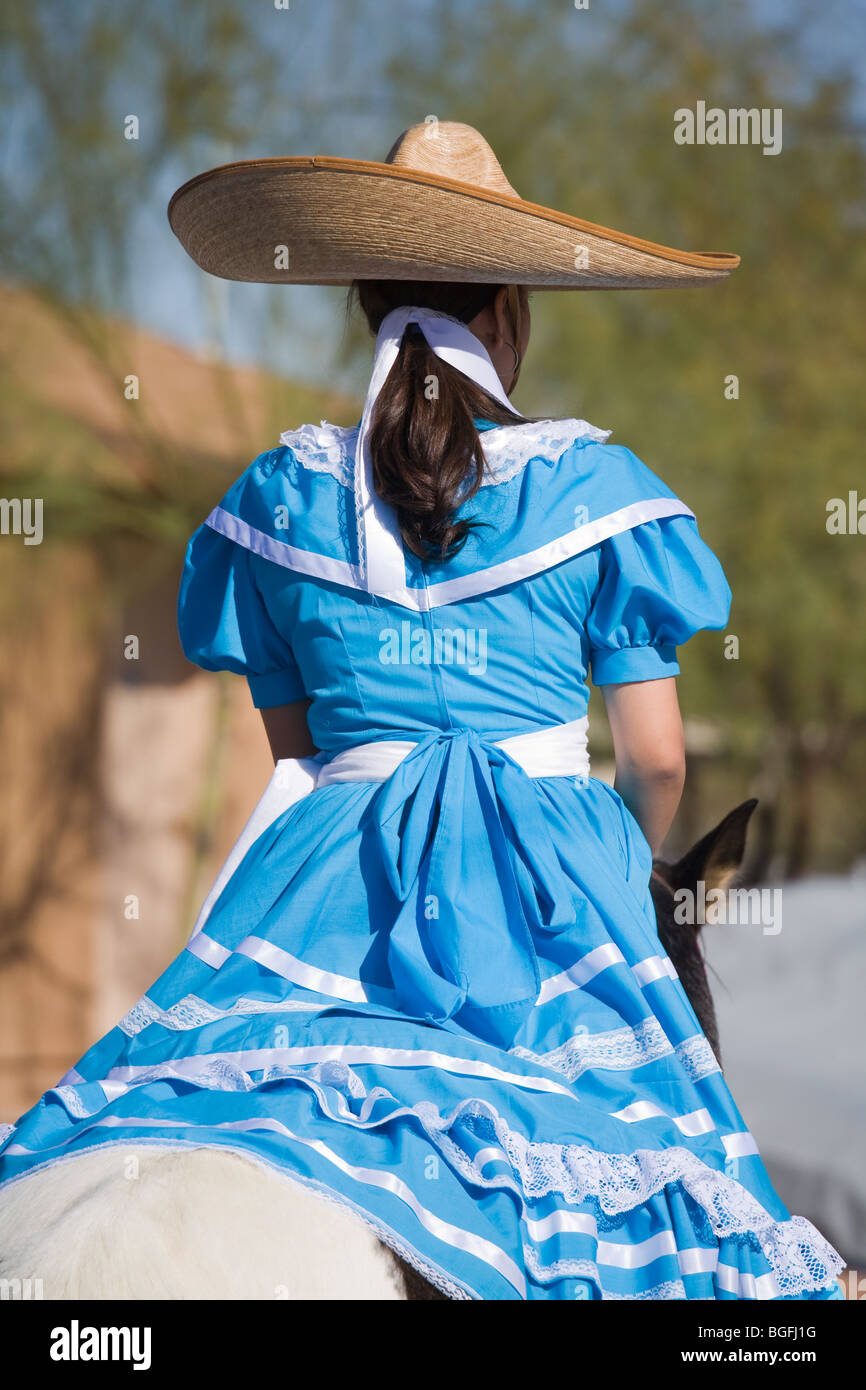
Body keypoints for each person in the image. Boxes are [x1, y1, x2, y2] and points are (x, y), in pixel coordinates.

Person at [0, 123, 843, 1300]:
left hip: (325, 885)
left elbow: (299, 762)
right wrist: (610, 863)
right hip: (556, 874)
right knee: (688, 1241)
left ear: (360, 303)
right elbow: (653, 757)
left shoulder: (277, 502)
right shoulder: (593, 489)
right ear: (511, 308)